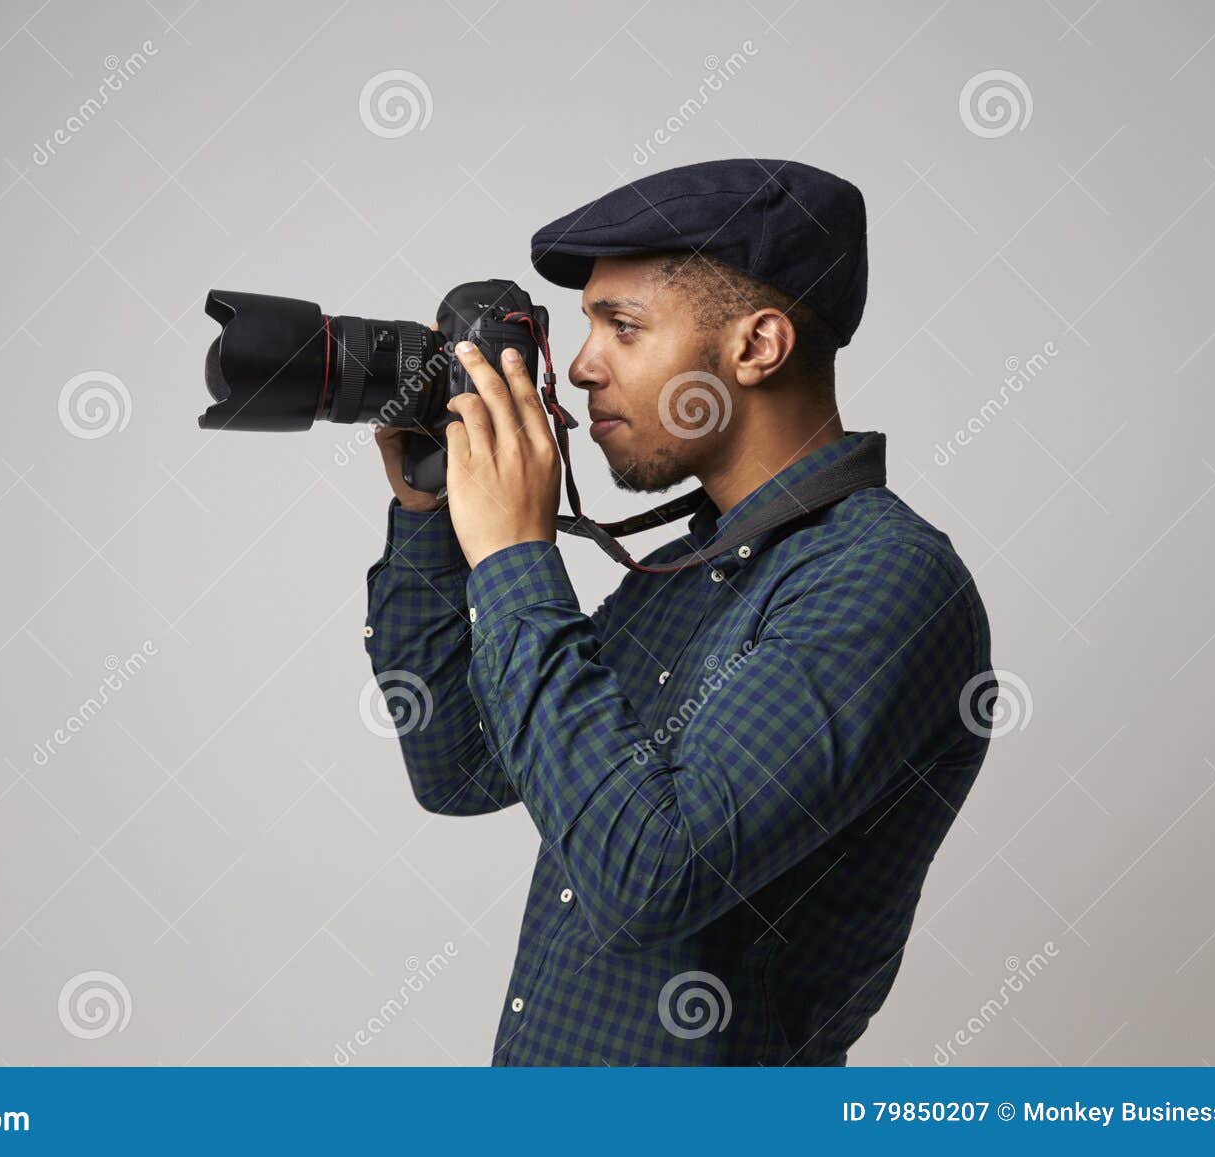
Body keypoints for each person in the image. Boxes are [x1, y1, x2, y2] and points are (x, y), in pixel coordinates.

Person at [363, 158, 996, 1065]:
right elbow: (457, 765)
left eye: (622, 327)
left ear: (757, 348)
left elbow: (649, 876)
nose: (579, 367)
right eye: (585, 327)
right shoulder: (681, 570)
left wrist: (515, 559)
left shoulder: (885, 582)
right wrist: (431, 520)